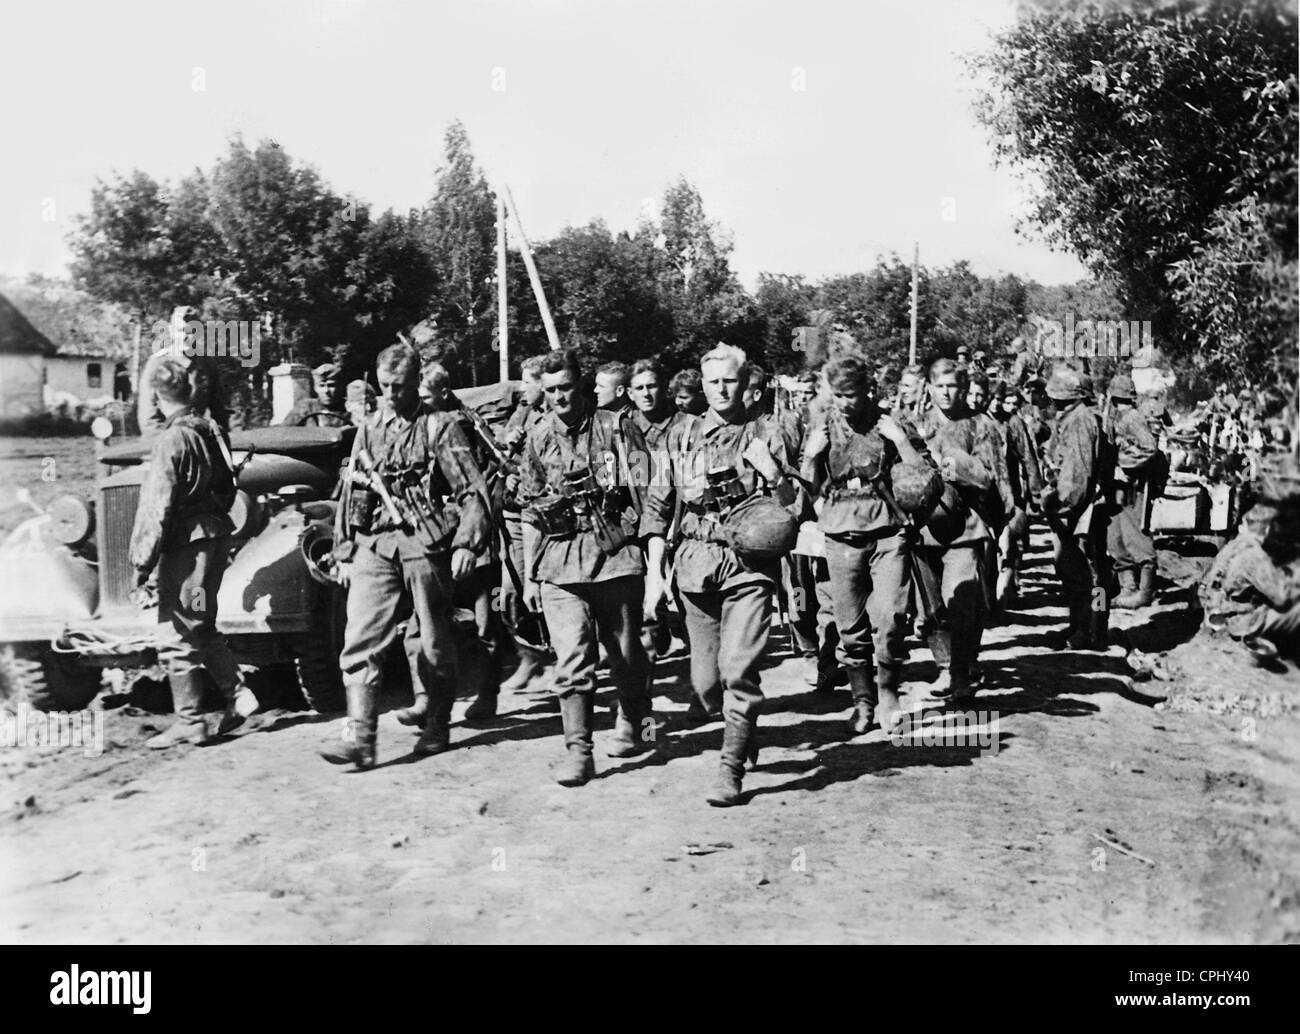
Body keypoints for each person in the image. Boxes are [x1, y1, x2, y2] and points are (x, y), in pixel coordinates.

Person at [641, 344, 801, 807]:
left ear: (743, 382)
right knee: (707, 685)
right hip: (695, 565)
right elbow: (657, 507)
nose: (720, 389)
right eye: (712, 382)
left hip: (750, 567)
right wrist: (655, 576)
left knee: (739, 670)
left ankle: (729, 770)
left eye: (729, 381)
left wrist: (774, 473)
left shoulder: (765, 431)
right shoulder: (679, 436)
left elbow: (795, 507)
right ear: (702, 384)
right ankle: (743, 731)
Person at [320, 342, 491, 769]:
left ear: (416, 382)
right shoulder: (369, 427)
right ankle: (359, 737)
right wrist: (344, 550)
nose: (391, 395)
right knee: (359, 636)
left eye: (399, 386)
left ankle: (437, 721)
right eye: (384, 387)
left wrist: (467, 543)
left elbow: (472, 491)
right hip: (376, 543)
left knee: (433, 639)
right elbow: (352, 493)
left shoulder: (440, 427)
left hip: (425, 541)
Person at [517, 349, 661, 787]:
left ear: (582, 386)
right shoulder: (538, 436)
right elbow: (528, 508)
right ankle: (579, 752)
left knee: (625, 654)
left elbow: (649, 490)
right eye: (552, 390)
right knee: (573, 659)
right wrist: (528, 574)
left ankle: (633, 718)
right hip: (559, 561)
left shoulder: (617, 427)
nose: (560, 397)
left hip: (615, 557)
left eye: (567, 388)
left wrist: (653, 561)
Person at [800, 356, 929, 732]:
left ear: (867, 390)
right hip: (841, 532)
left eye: (851, 395)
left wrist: (901, 440)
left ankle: (888, 692)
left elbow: (922, 476)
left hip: (887, 530)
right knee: (849, 624)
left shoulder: (891, 422)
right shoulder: (824, 426)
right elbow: (808, 488)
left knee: (889, 617)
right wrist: (811, 454)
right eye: (837, 395)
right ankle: (862, 702)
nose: (844, 403)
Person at [129, 358, 245, 749]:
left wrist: (140, 565)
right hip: (212, 547)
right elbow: (230, 489)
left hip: (186, 551)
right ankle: (239, 696)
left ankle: (190, 721)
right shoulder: (212, 430)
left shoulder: (170, 441)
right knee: (201, 622)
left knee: (178, 629)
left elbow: (155, 507)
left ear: (159, 398)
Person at [627, 358, 699, 665]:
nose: (646, 394)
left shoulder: (686, 425)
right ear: (629, 393)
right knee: (645, 594)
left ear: (664, 388)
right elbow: (624, 479)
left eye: (652, 386)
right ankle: (653, 645)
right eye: (639, 388)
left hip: (682, 524)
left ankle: (700, 656)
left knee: (688, 597)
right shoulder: (625, 427)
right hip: (642, 524)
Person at [1039, 365, 1115, 651]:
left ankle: (1093, 631)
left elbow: (1078, 474)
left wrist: (1059, 504)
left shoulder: (1081, 420)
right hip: (1079, 507)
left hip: (1081, 510)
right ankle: (1082, 626)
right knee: (1078, 574)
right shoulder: (1077, 417)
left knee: (1091, 576)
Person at [496, 355, 552, 695]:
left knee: (551, 591)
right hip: (517, 516)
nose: (522, 387)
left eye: (528, 380)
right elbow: (504, 446)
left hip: (547, 518)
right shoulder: (523, 412)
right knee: (512, 592)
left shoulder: (557, 417)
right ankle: (530, 657)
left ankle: (561, 662)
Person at [1199, 502, 1300, 657]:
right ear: (1267, 529)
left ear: (1243, 525)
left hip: (1216, 613)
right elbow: (1282, 598)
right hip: (1240, 622)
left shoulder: (1231, 546)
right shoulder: (1254, 555)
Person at [1105, 374, 1161, 609]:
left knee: (1136, 537)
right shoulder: (1120, 416)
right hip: (1119, 488)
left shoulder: (1131, 417)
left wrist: (1122, 464)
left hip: (1132, 487)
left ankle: (1145, 592)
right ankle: (1128, 587)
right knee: (1115, 538)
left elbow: (1150, 448)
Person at [137, 306, 230, 438]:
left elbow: (220, 411)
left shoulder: (206, 364)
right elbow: (148, 420)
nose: (186, 336)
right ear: (172, 331)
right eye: (181, 330)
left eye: (192, 330)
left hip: (199, 439)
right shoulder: (157, 363)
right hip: (164, 440)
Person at [989, 381, 1043, 605]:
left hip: (1009, 493)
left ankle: (1004, 596)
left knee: (1008, 545)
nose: (996, 403)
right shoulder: (971, 420)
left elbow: (1028, 458)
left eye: (999, 399)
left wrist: (1036, 492)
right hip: (981, 494)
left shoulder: (1013, 422)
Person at [283, 362, 350, 427]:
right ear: (315, 388)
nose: (326, 391)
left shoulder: (349, 408)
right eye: (321, 386)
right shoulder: (306, 407)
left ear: (340, 387)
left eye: (331, 386)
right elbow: (284, 430)